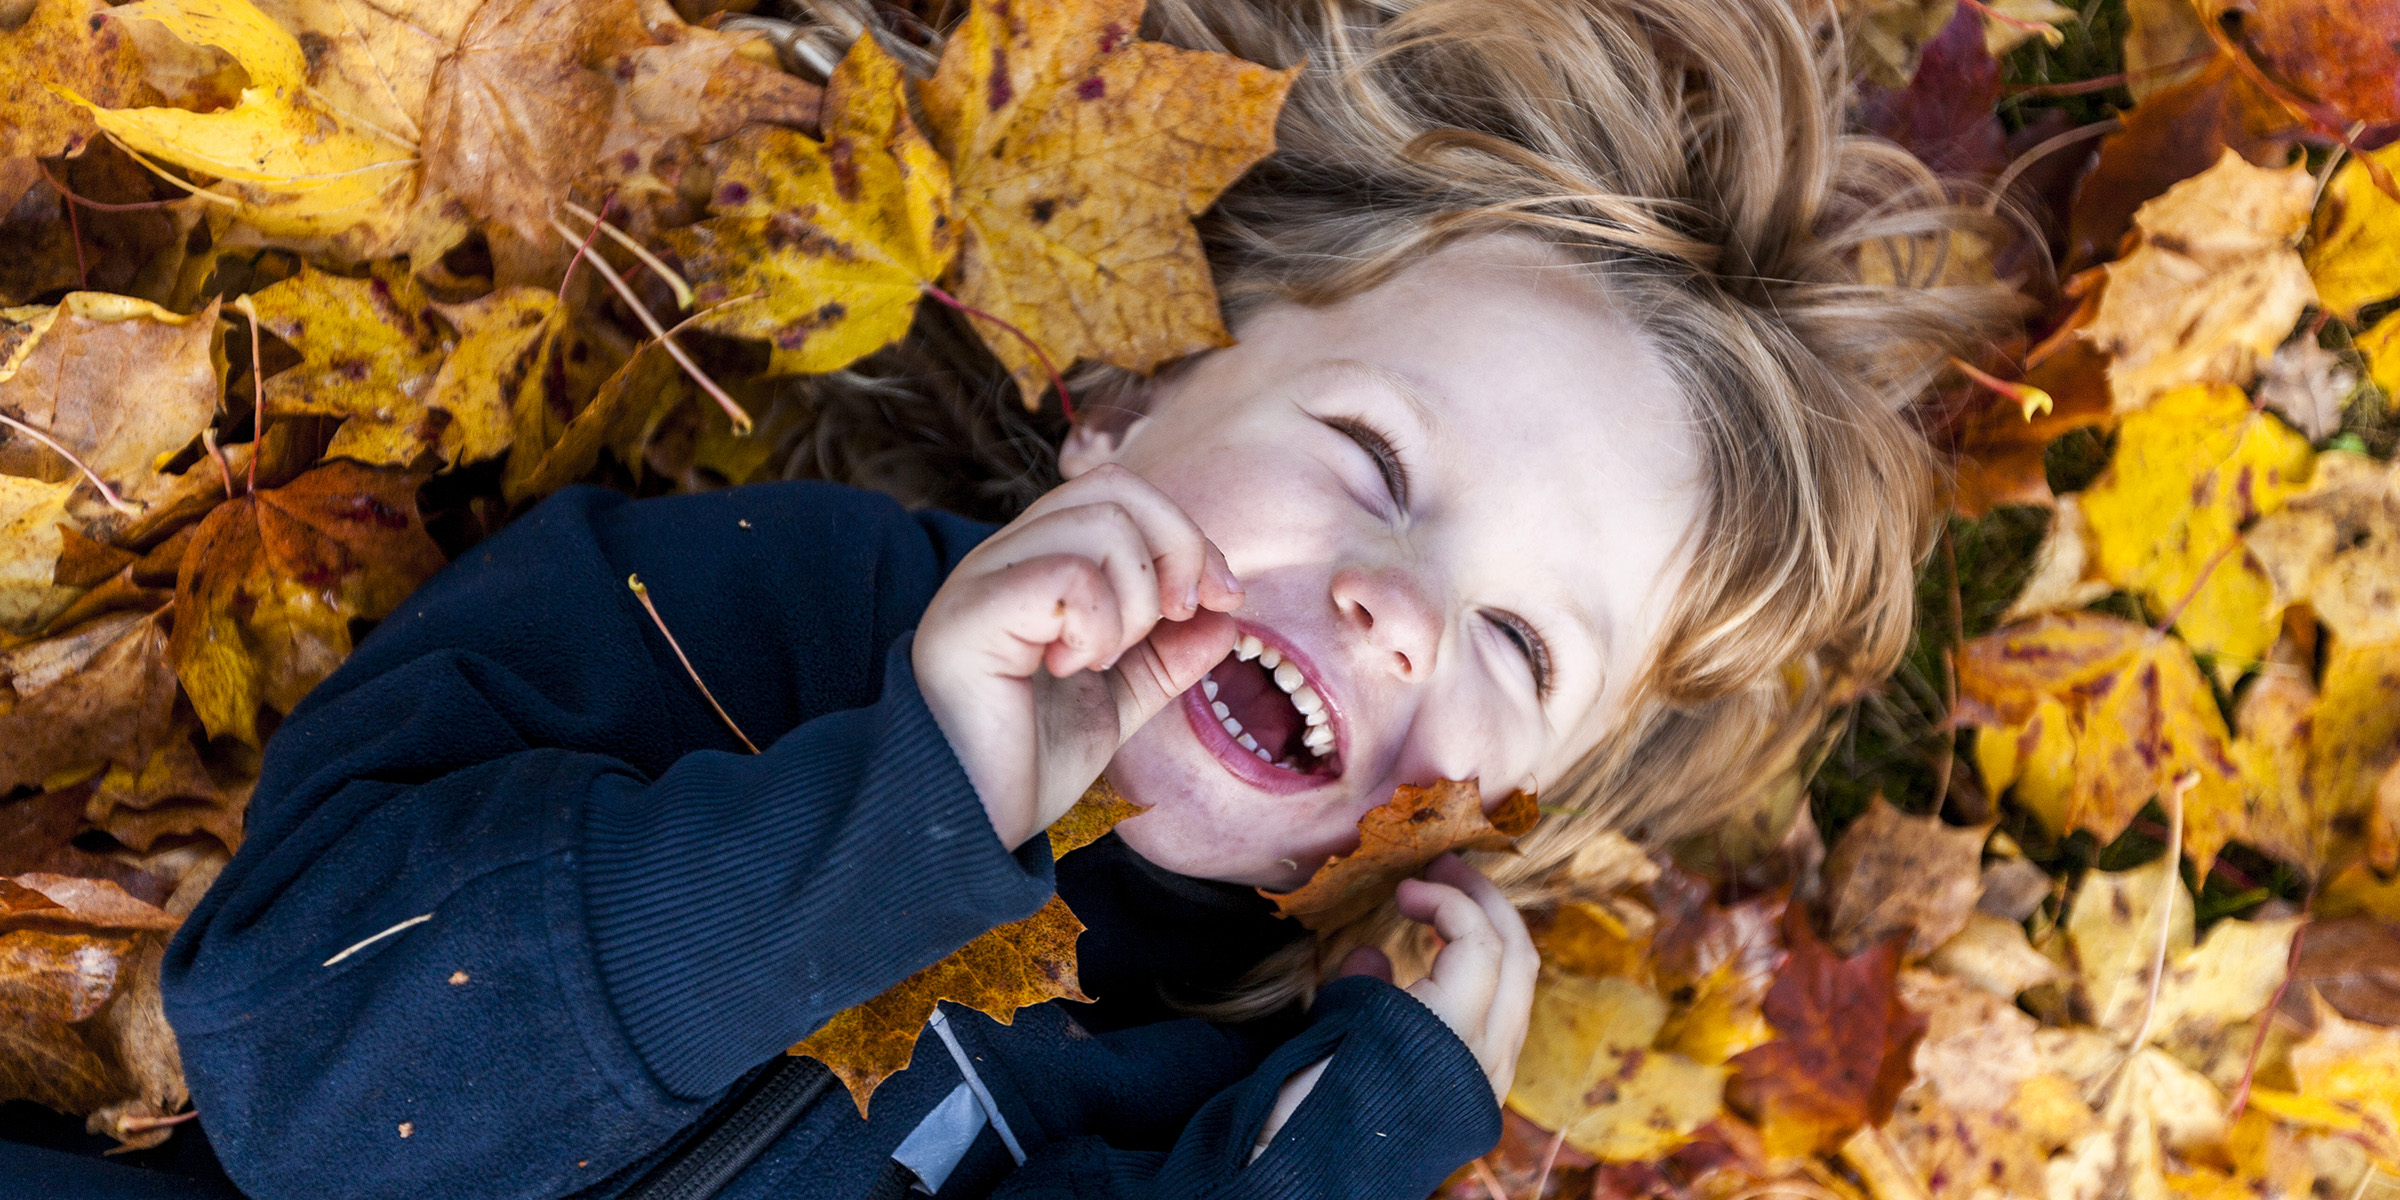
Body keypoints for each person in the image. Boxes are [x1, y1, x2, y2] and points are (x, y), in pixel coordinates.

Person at [141, 0, 2019, 1196]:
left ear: (1529, 801)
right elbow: (293, 1082)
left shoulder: (1247, 1102)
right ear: (1119, 406)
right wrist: (897, 813)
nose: (1400, 610)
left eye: (1525, 644)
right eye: (1371, 461)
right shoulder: (723, 619)